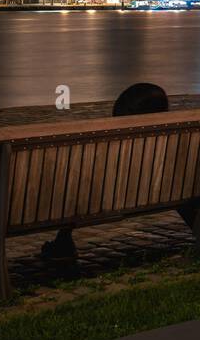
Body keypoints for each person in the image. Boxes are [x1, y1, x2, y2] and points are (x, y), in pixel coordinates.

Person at [41, 83, 170, 260]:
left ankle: (62, 242)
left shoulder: (109, 153)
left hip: (101, 199)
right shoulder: (172, 144)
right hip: (167, 192)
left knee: (78, 186)